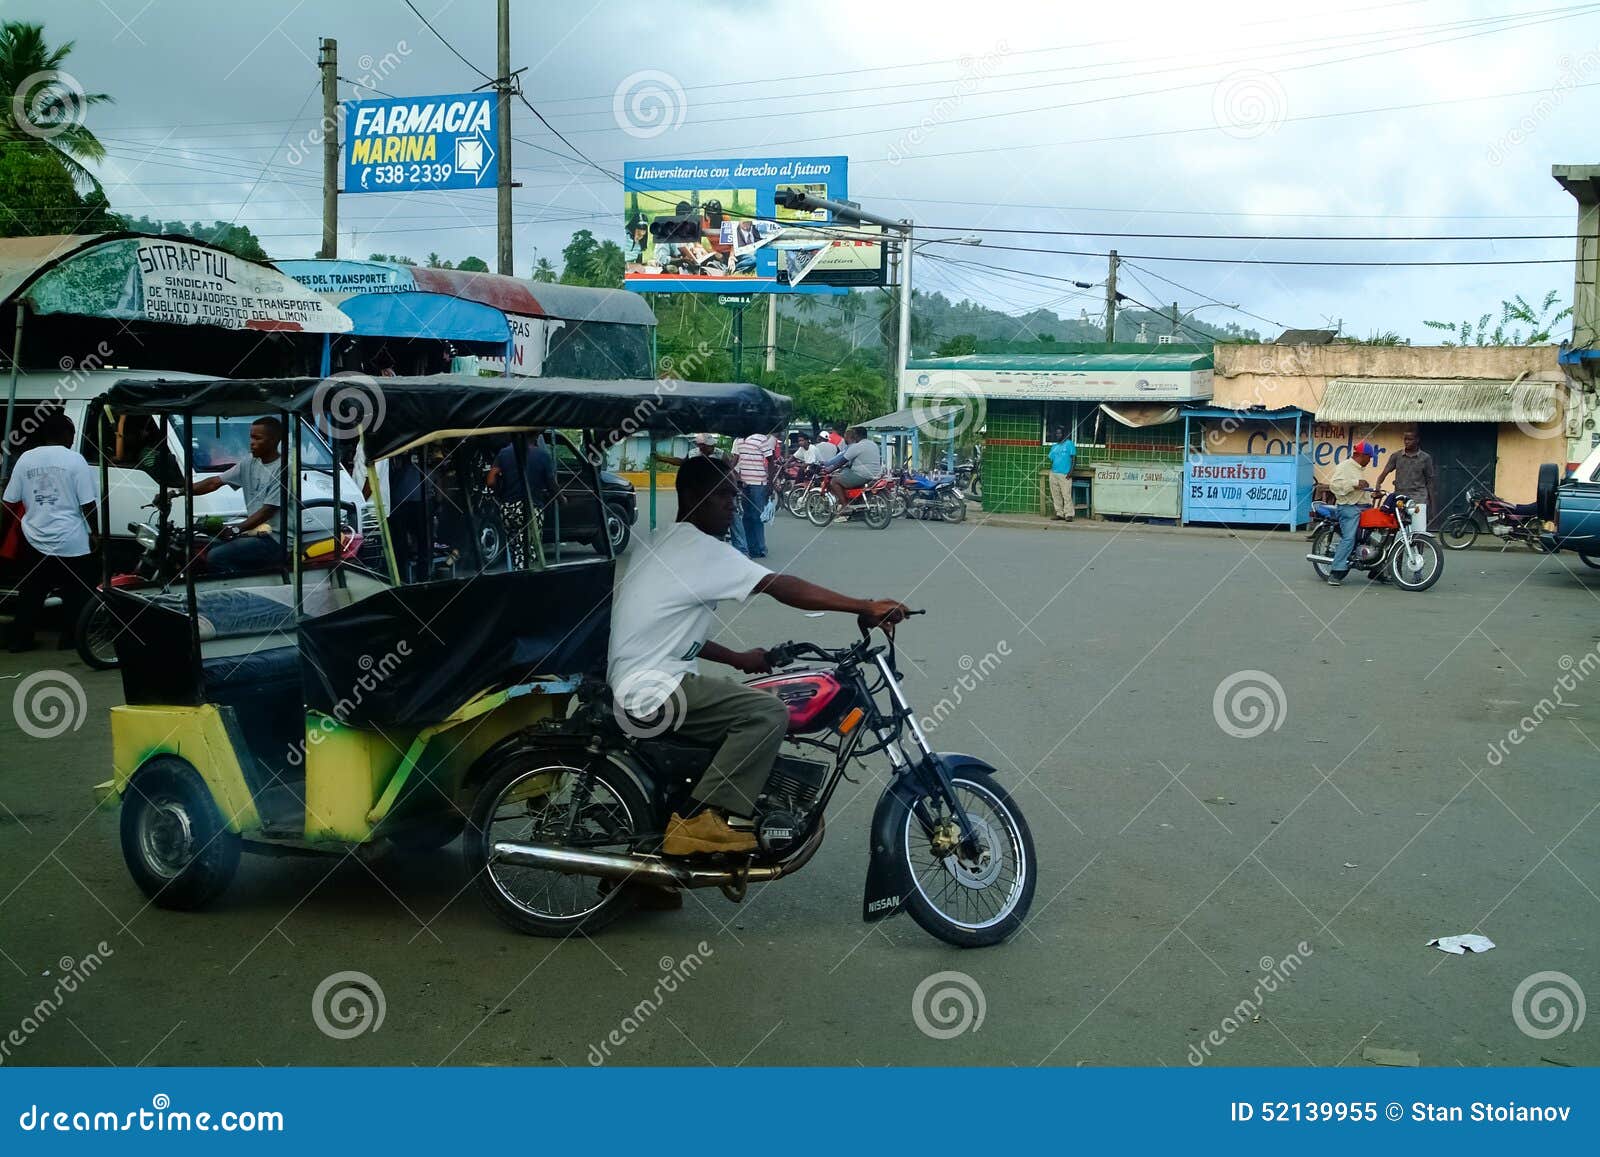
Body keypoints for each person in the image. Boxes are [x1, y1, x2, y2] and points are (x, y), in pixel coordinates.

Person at [607, 455, 909, 855]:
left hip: (640, 677)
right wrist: (863, 606)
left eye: (735, 495)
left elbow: (666, 631)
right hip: (654, 687)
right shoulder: (699, 550)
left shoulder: (664, 539)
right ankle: (701, 824)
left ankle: (655, 873)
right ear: (693, 496)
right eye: (724, 496)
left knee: (740, 709)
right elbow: (780, 585)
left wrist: (737, 658)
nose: (734, 504)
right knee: (766, 713)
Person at [4, 411, 98, 652]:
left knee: (31, 593)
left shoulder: (25, 459)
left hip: (34, 537)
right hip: (72, 540)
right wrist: (96, 533)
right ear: (66, 434)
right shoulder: (75, 460)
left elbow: (9, 500)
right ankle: (68, 639)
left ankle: (20, 640)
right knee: (75, 593)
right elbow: (87, 503)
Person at [185, 416, 286, 575]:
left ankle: (242, 592)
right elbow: (214, 482)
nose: (251, 442)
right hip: (255, 533)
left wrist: (236, 529)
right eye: (251, 437)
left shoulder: (283, 469)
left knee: (216, 557)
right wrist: (177, 492)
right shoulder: (249, 462)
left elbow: (268, 511)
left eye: (257, 438)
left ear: (274, 440)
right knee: (203, 546)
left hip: (276, 539)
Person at [487, 434, 557, 569]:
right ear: (536, 437)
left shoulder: (503, 453)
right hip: (531, 509)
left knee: (516, 547)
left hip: (508, 508)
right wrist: (561, 498)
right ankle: (526, 577)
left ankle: (518, 570)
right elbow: (551, 483)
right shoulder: (542, 456)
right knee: (530, 549)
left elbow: (490, 480)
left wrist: (499, 493)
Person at [1322, 441, 1376, 586]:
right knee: (1349, 537)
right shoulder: (1344, 466)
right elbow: (1335, 486)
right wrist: (1355, 483)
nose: (1370, 460)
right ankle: (1336, 572)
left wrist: (1372, 493)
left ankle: (1377, 569)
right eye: (1369, 457)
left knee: (1377, 536)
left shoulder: (1359, 469)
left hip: (1364, 507)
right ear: (1362, 455)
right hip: (1349, 508)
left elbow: (1360, 490)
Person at [1374, 428, 1436, 532]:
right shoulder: (1397, 456)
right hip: (1400, 499)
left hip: (1418, 498)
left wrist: (1433, 506)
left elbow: (1430, 482)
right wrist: (1378, 484)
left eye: (1410, 439)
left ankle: (1418, 549)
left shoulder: (1425, 458)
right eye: (1405, 439)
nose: (1407, 442)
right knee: (1400, 532)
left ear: (1417, 440)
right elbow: (1385, 472)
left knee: (1419, 531)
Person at [729, 429, 777, 559]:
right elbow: (734, 459)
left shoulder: (761, 439)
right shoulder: (738, 440)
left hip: (759, 483)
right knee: (746, 516)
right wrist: (730, 474)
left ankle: (760, 548)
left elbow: (771, 461)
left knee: (756, 517)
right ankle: (749, 547)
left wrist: (770, 484)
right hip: (744, 484)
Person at [821, 425, 881, 509]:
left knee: (834, 481)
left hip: (862, 475)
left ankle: (845, 506)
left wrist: (829, 470)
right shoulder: (873, 444)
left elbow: (841, 461)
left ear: (856, 435)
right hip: (876, 474)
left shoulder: (857, 446)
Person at [1046, 425, 1077, 521]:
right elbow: (1052, 459)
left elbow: (1074, 459)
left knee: (1066, 494)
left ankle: (1069, 514)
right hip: (1054, 474)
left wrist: (1070, 472)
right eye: (1056, 433)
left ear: (1064, 434)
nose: (1057, 435)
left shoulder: (1069, 444)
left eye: (1059, 433)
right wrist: (1052, 471)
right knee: (1056, 494)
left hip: (1065, 474)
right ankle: (1059, 513)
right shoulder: (1054, 446)